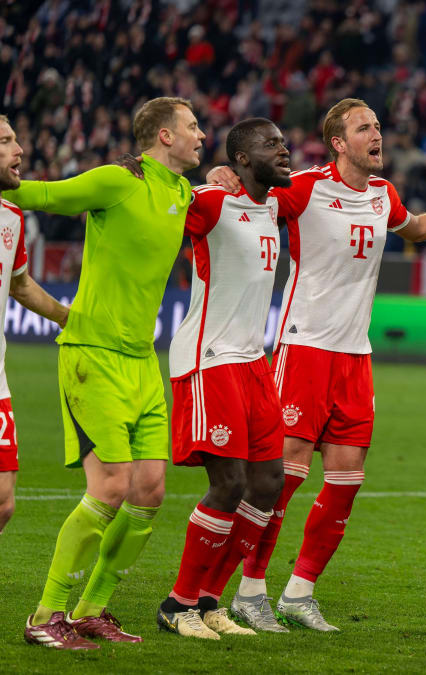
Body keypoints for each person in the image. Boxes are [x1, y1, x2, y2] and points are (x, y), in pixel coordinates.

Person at [207, 98, 426, 632]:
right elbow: (249, 196)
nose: (377, 135)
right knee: (281, 480)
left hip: (355, 357)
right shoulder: (305, 187)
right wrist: (219, 175)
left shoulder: (383, 193)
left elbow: (415, 228)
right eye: (364, 128)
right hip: (305, 350)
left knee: (346, 481)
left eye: (378, 126)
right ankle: (250, 591)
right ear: (339, 143)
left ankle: (300, 593)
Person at [7, 97, 203, 648]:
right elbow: (44, 195)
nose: (201, 134)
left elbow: (222, 197)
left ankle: (91, 609)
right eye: (192, 126)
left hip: (143, 361)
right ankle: (45, 615)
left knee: (150, 491)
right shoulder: (117, 180)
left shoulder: (183, 192)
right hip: (92, 356)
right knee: (112, 486)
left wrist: (222, 179)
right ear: (164, 135)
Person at [156, 118, 294, 639]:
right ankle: (179, 603)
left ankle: (210, 601)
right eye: (270, 144)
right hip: (209, 356)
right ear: (241, 158)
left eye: (284, 142)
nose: (283, 150)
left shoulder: (276, 204)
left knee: (269, 483)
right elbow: (159, 205)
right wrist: (203, 177)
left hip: (253, 360)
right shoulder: (213, 202)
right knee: (229, 483)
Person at [0, 116, 71, 543]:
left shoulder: (11, 218)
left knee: (3, 501)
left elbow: (21, 284)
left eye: (16, 140)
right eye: (5, 141)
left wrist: (67, 318)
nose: (20, 150)